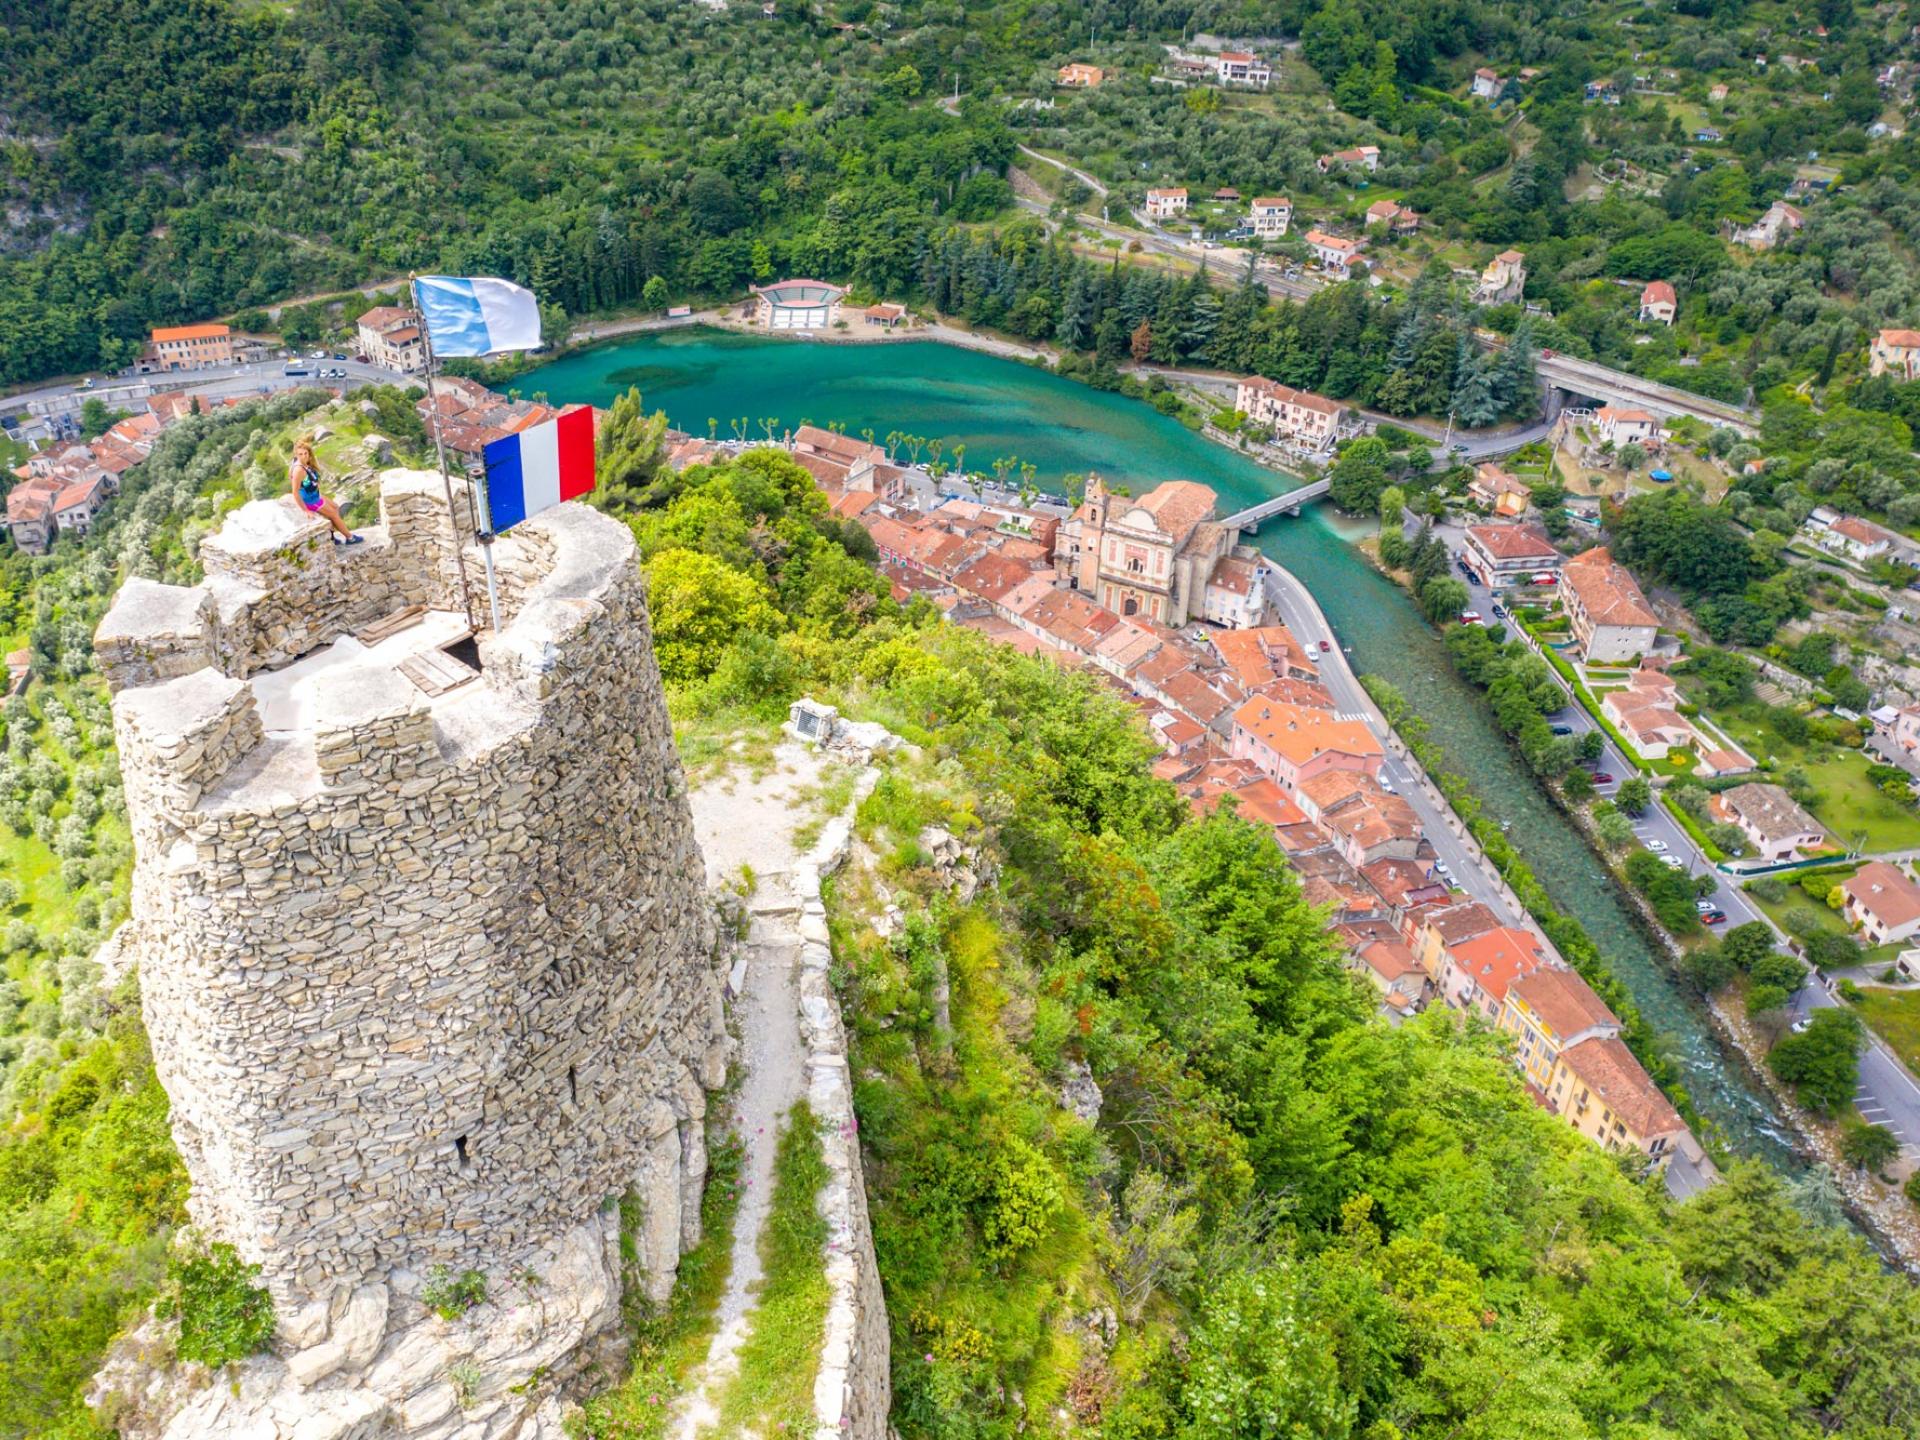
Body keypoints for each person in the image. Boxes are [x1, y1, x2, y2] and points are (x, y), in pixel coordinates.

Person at [288, 437, 361, 544]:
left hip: (316, 495)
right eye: (300, 454)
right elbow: (295, 492)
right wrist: (306, 510)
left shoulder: (306, 464)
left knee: (335, 507)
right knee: (334, 515)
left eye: (306, 453)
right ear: (296, 455)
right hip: (310, 501)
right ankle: (350, 538)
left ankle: (331, 537)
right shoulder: (299, 470)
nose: (304, 456)